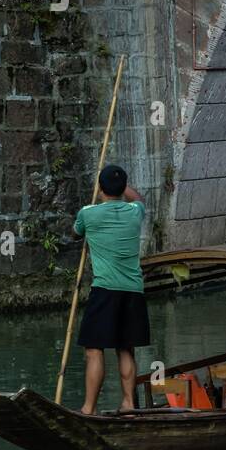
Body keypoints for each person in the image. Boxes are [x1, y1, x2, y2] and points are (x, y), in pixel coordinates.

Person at [73, 164, 148, 415]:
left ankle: (89, 408)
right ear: (122, 187)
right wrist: (121, 185)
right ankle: (128, 403)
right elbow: (138, 199)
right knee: (125, 347)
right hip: (133, 291)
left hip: (105, 290)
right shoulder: (135, 211)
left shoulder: (88, 213)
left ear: (100, 188)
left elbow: (76, 232)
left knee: (94, 349)